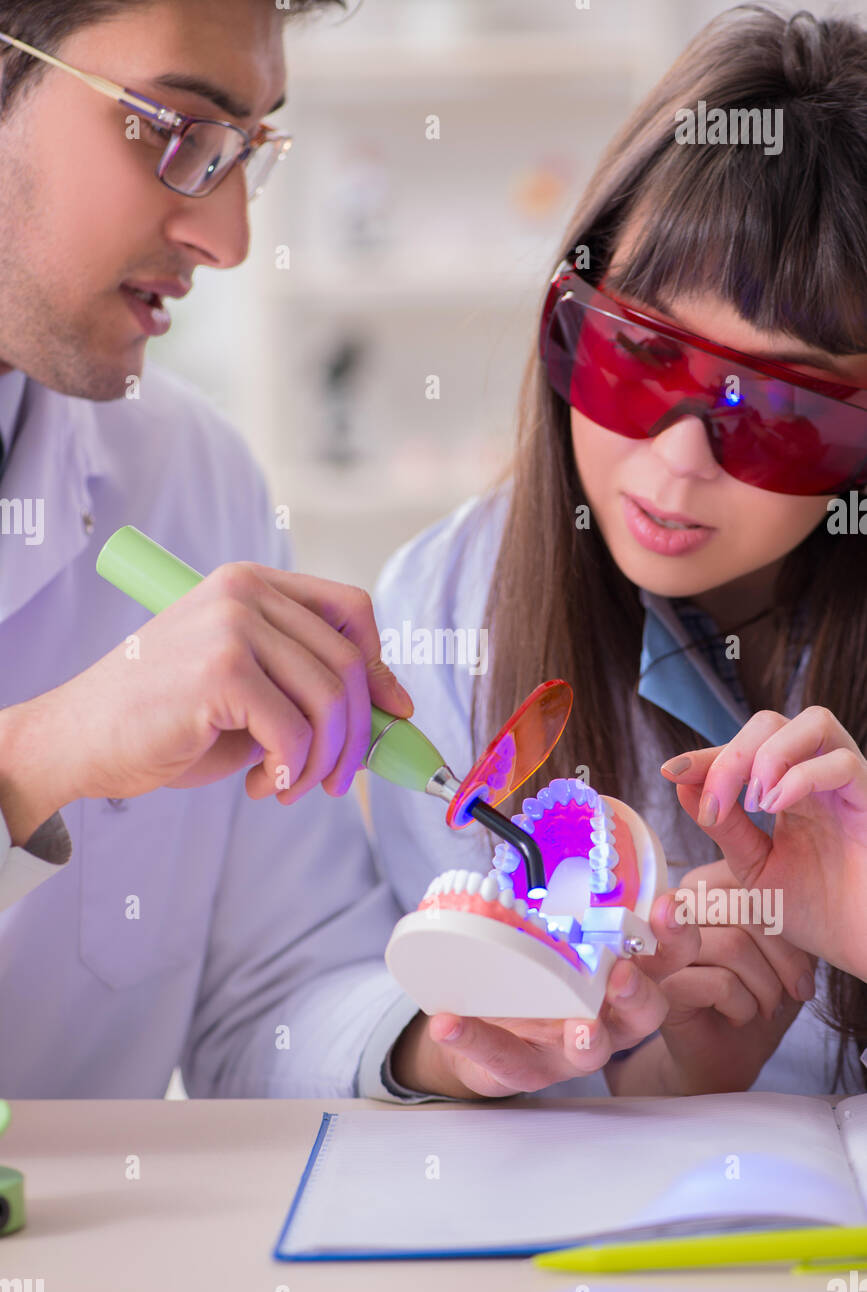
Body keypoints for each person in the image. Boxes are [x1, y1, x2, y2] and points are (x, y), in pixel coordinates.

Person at [0, 0, 693, 1102]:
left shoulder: (192, 475)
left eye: (246, 152)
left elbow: (272, 1001)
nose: (226, 239)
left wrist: (446, 1037)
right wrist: (34, 759)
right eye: (177, 131)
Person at [371, 5, 867, 1100]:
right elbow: (373, 1059)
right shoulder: (443, 609)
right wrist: (661, 1089)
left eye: (783, 412)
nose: (680, 463)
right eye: (638, 361)